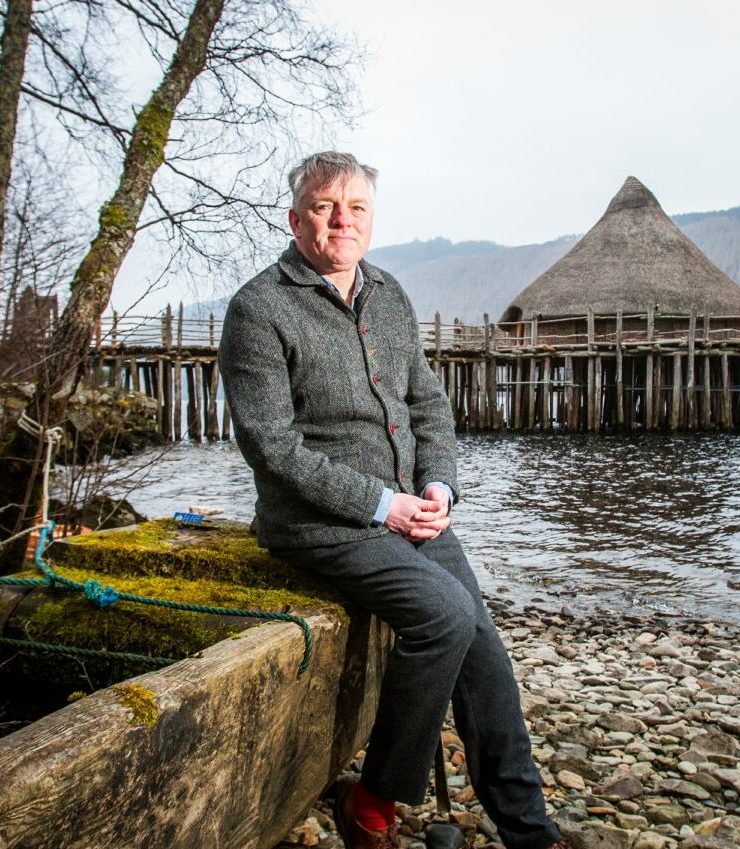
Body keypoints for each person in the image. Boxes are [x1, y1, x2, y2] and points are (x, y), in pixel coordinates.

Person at [219, 151, 566, 849]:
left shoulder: (390, 296)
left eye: (356, 209)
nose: (341, 221)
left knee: (486, 656)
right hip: (317, 522)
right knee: (444, 613)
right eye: (324, 207)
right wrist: (382, 505)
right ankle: (372, 804)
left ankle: (530, 831)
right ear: (296, 219)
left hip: (411, 513)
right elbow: (272, 449)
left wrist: (437, 488)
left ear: (371, 222)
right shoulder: (258, 309)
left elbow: (429, 407)